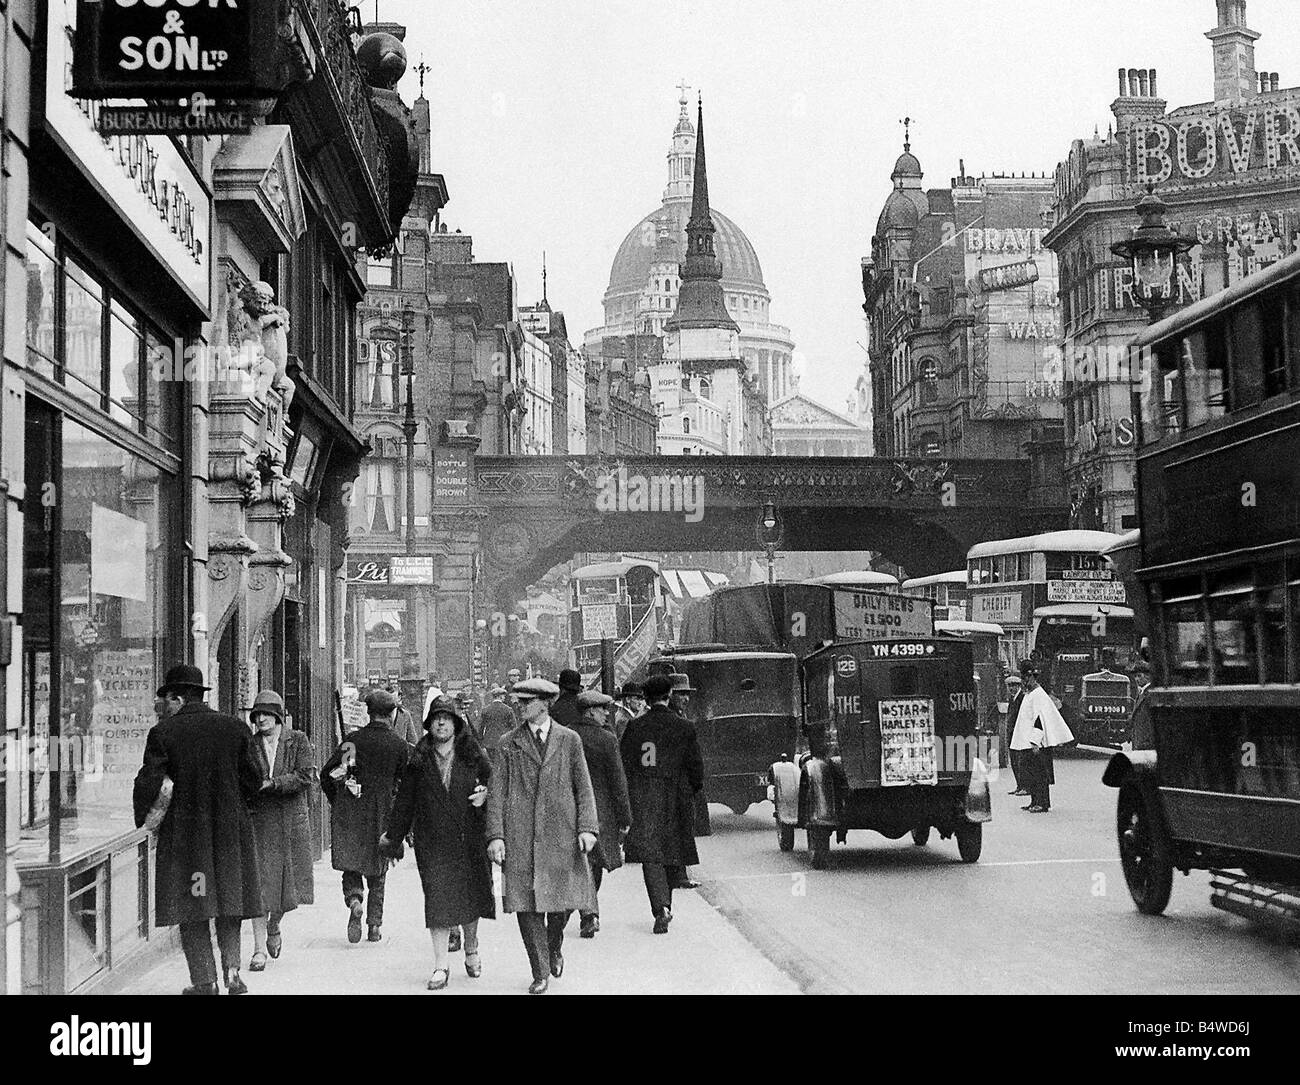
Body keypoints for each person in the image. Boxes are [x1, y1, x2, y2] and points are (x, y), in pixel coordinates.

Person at [132, 664, 263, 995]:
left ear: (177, 698)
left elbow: (151, 782)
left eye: (167, 700)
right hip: (231, 838)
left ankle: (205, 982)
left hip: (189, 842)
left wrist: (147, 813)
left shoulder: (164, 734)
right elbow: (254, 779)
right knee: (230, 903)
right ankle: (233, 973)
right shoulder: (235, 729)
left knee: (195, 905)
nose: (165, 707)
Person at [485, 678, 600, 994]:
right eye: (519, 701)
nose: (520, 706)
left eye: (526, 701)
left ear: (545, 704)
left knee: (560, 901)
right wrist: (496, 836)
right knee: (525, 903)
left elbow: (584, 787)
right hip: (519, 834)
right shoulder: (508, 743)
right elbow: (496, 792)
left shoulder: (569, 740)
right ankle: (540, 971)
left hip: (560, 832)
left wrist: (587, 828)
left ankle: (554, 946)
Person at [381, 696, 495, 991]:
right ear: (429, 724)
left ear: (456, 724)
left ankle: (471, 948)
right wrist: (393, 838)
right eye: (436, 718)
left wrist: (486, 797)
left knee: (470, 899)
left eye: (447, 718)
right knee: (437, 901)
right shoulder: (418, 760)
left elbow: (496, 785)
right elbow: (404, 801)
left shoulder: (474, 756)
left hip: (468, 838)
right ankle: (441, 965)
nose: (441, 723)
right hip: (433, 843)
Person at [321, 688, 409, 943]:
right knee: (379, 871)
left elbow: (330, 773)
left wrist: (337, 800)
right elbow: (406, 784)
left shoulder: (353, 741)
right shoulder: (399, 745)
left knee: (351, 863)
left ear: (369, 713)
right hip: (383, 814)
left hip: (351, 811)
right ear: (391, 715)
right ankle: (374, 925)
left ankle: (355, 899)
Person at [620, 673, 705, 933]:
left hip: (645, 793)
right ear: (669, 697)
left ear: (645, 697)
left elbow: (626, 762)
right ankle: (666, 902)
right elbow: (695, 766)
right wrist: (693, 788)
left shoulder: (636, 727)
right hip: (677, 794)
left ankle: (661, 907)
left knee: (650, 853)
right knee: (672, 848)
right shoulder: (684, 726)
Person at [245, 690, 315, 971]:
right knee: (261, 887)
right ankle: (258, 949)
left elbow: (305, 776)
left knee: (291, 888)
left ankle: (275, 924)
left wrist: (273, 784)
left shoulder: (297, 740)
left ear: (277, 716)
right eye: (257, 714)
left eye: (266, 714)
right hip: (260, 823)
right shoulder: (249, 745)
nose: (261, 719)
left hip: (290, 822)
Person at [571, 691, 633, 938]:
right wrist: (625, 817)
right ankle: (589, 912)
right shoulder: (606, 739)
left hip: (570, 807)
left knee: (579, 860)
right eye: (602, 709)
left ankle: (587, 912)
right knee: (594, 861)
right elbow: (618, 780)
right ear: (591, 712)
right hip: (600, 810)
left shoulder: (565, 734)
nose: (607, 713)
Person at [1009, 662, 1074, 812]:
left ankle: (1042, 803)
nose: (1025, 682)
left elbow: (1040, 719)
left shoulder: (1038, 694)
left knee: (1039, 773)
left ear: (1032, 677)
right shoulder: (1030, 694)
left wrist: (1035, 741)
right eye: (1023, 678)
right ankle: (1034, 801)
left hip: (1036, 743)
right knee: (1031, 772)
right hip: (1028, 742)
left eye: (1026, 678)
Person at [1002, 673, 1026, 796]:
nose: (1011, 688)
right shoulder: (1012, 699)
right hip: (1012, 734)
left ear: (1019, 686)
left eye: (1014, 686)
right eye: (1009, 686)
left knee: (1019, 761)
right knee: (1014, 761)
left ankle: (1024, 786)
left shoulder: (1022, 698)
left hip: (1019, 734)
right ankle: (1019, 785)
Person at [477, 684, 517, 749]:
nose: (504, 698)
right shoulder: (508, 710)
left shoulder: (486, 710)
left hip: (489, 742)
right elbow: (514, 728)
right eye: (503, 696)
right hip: (504, 743)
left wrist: (481, 743)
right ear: (500, 697)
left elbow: (481, 728)